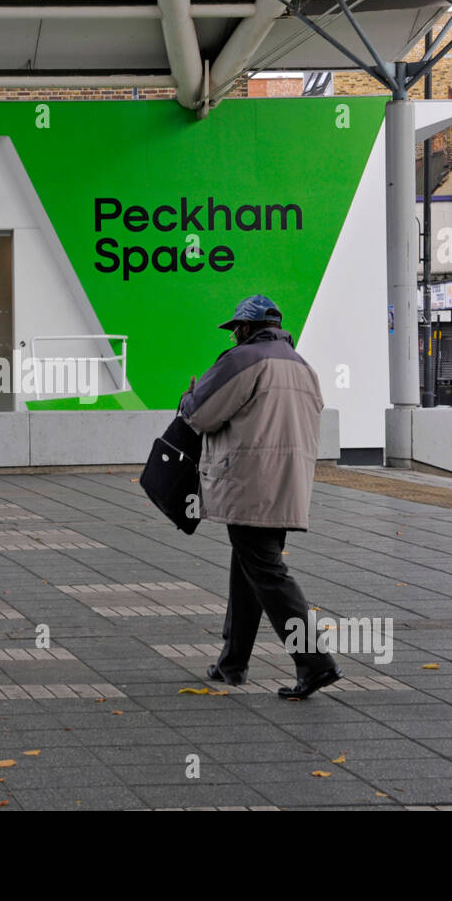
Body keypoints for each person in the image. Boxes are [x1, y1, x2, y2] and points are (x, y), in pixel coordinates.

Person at [178, 295, 341, 700]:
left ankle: (315, 662)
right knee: (250, 568)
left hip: (251, 483)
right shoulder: (303, 367)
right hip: (289, 484)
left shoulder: (241, 360)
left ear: (248, 328)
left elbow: (200, 414)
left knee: (266, 573)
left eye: (236, 328)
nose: (233, 335)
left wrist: (188, 397)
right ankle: (232, 663)